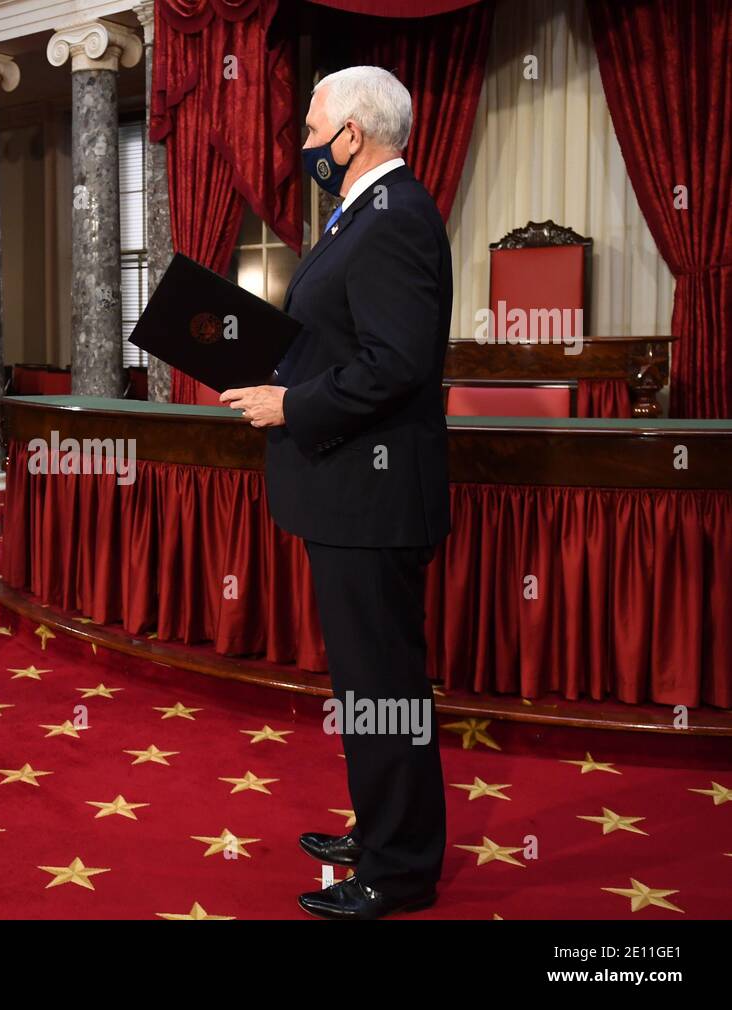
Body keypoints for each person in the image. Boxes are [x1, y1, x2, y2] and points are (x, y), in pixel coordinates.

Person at [222, 66, 451, 920]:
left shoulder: (393, 220)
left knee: (386, 684)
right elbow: (344, 339)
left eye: (314, 130)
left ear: (352, 135)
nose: (306, 144)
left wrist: (292, 402)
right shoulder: (365, 214)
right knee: (368, 683)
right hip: (351, 491)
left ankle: (399, 871)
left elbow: (397, 364)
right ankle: (381, 829)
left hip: (374, 496)